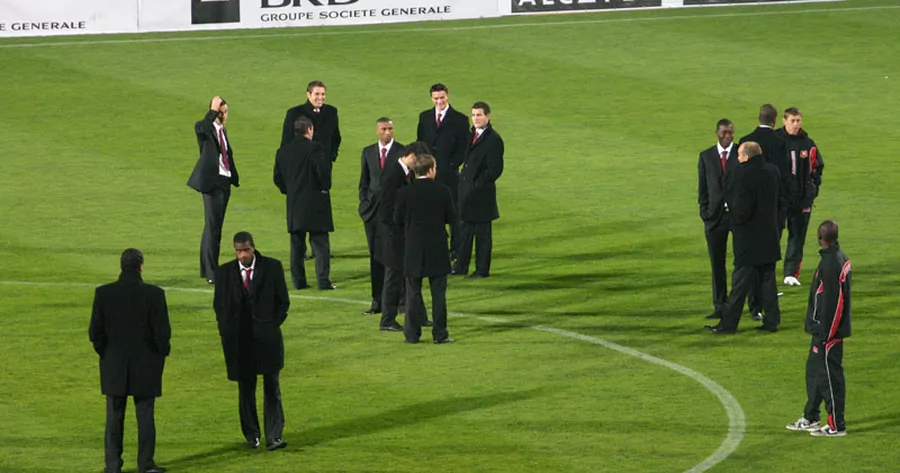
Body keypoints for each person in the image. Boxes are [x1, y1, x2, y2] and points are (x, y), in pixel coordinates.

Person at [89, 248, 170, 473]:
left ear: (121, 266)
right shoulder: (154, 294)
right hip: (146, 365)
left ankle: (112, 465)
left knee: (114, 417)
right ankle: (146, 464)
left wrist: (107, 354)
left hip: (114, 365)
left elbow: (95, 333)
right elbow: (163, 334)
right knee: (145, 415)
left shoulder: (103, 293)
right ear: (141, 267)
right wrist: (158, 356)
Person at [213, 232, 290, 451]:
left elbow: (283, 302)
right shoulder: (224, 272)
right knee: (245, 389)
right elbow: (219, 306)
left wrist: (270, 326)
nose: (242, 255)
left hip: (267, 340)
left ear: (253, 247)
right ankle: (252, 435)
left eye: (246, 250)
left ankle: (274, 436)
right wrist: (227, 331)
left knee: (271, 387)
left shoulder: (272, 267)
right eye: (238, 251)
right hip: (239, 342)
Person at [705, 142, 783, 334]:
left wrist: (731, 212)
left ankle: (728, 324)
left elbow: (741, 211)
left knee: (739, 283)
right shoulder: (773, 171)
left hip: (748, 238)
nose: (738, 159)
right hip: (769, 234)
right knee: (767, 280)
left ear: (746, 157)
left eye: (739, 155)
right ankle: (772, 321)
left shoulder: (742, 174)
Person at [785, 220, 851, 437]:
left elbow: (835, 302)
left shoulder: (831, 264)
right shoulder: (835, 258)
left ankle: (836, 425)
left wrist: (827, 334)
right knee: (814, 374)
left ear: (820, 237)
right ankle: (811, 416)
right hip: (821, 330)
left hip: (828, 333)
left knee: (830, 378)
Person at [395, 154, 456, 344]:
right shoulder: (443, 191)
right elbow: (451, 218)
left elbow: (397, 219)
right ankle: (440, 334)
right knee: (438, 295)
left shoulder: (404, 193)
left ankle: (412, 335)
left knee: (413, 293)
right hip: (437, 248)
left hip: (413, 248)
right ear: (430, 170)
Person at [739, 104, 790, 321]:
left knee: (751, 264)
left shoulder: (746, 141)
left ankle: (755, 307)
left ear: (758, 117)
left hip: (750, 216)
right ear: (775, 120)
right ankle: (770, 313)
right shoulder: (780, 142)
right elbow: (785, 180)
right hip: (772, 216)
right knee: (768, 266)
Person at [274, 116, 336, 290]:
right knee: (320, 243)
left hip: (294, 203)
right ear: (309, 130)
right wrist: (324, 188)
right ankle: (323, 281)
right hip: (316, 202)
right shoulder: (315, 148)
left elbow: (277, 178)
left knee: (296, 245)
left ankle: (299, 282)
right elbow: (322, 172)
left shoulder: (283, 151)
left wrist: (289, 191)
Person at [375, 141, 432, 332]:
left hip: (400, 235)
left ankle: (418, 315)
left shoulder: (404, 173)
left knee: (409, 276)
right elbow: (385, 210)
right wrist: (398, 232)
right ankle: (387, 320)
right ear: (412, 155)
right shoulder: (393, 174)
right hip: (393, 237)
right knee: (393, 279)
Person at [187, 96, 239, 284]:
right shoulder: (204, 128)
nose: (223, 116)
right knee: (213, 227)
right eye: (219, 112)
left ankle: (208, 269)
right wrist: (212, 111)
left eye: (225, 112)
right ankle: (211, 272)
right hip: (212, 183)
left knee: (215, 227)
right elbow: (201, 127)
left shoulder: (222, 130)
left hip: (224, 182)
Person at [416, 83, 470, 260]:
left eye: (442, 97)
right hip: (428, 174)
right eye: (436, 98)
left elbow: (464, 146)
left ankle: (456, 250)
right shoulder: (425, 117)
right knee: (430, 212)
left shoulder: (460, 119)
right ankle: (435, 247)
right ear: (431, 98)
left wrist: (451, 164)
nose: (439, 101)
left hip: (449, 174)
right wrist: (424, 165)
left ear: (447, 96)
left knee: (454, 213)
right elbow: (420, 143)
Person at [358, 117, 406, 315]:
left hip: (393, 214)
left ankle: (401, 302)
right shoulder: (368, 152)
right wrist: (364, 205)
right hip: (372, 214)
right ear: (377, 130)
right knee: (375, 257)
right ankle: (377, 302)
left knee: (395, 258)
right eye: (384, 129)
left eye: (390, 129)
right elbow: (364, 182)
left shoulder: (402, 151)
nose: (388, 132)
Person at [453, 101, 504, 279]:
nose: (475, 118)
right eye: (473, 115)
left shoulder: (494, 140)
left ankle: (482, 270)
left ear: (488, 116)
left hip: (482, 196)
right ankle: (460, 266)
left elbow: (495, 169)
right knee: (465, 232)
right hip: (466, 193)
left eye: (479, 115)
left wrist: (476, 185)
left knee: (482, 235)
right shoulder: (471, 135)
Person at [777, 107, 825, 286]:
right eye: (792, 121)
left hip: (802, 199)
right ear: (784, 121)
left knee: (797, 236)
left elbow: (818, 167)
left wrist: (813, 189)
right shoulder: (776, 141)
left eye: (798, 121)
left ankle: (790, 273)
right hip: (779, 200)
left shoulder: (808, 143)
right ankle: (767, 271)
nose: (796, 124)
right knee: (773, 235)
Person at [697, 119, 738, 320]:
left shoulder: (741, 153)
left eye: (730, 132)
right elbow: (703, 187)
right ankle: (720, 306)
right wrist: (705, 212)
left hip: (738, 216)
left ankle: (743, 305)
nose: (727, 136)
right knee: (717, 264)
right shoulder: (706, 156)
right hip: (714, 218)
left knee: (743, 264)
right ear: (717, 133)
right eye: (724, 133)